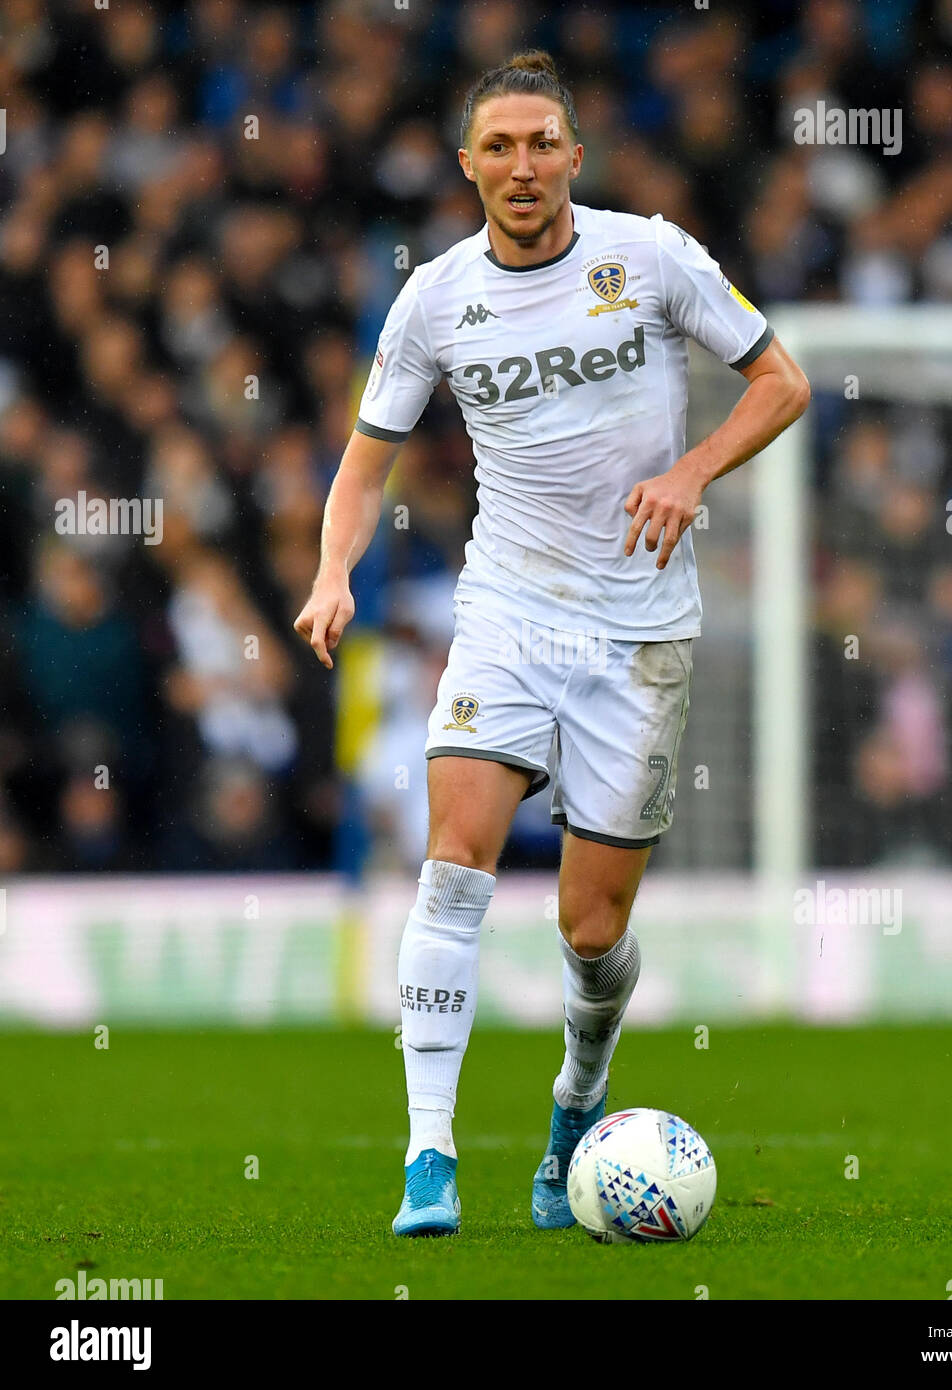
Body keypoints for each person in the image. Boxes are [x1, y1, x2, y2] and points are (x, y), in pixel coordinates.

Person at [294, 50, 810, 1236]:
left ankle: (578, 1093)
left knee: (591, 931)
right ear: (467, 164)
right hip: (507, 616)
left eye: (542, 144)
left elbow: (780, 382)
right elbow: (362, 465)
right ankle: (429, 1154)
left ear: (573, 155)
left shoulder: (652, 256)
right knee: (453, 862)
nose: (521, 166)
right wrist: (331, 570)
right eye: (499, 147)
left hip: (637, 633)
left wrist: (689, 471)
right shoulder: (431, 299)